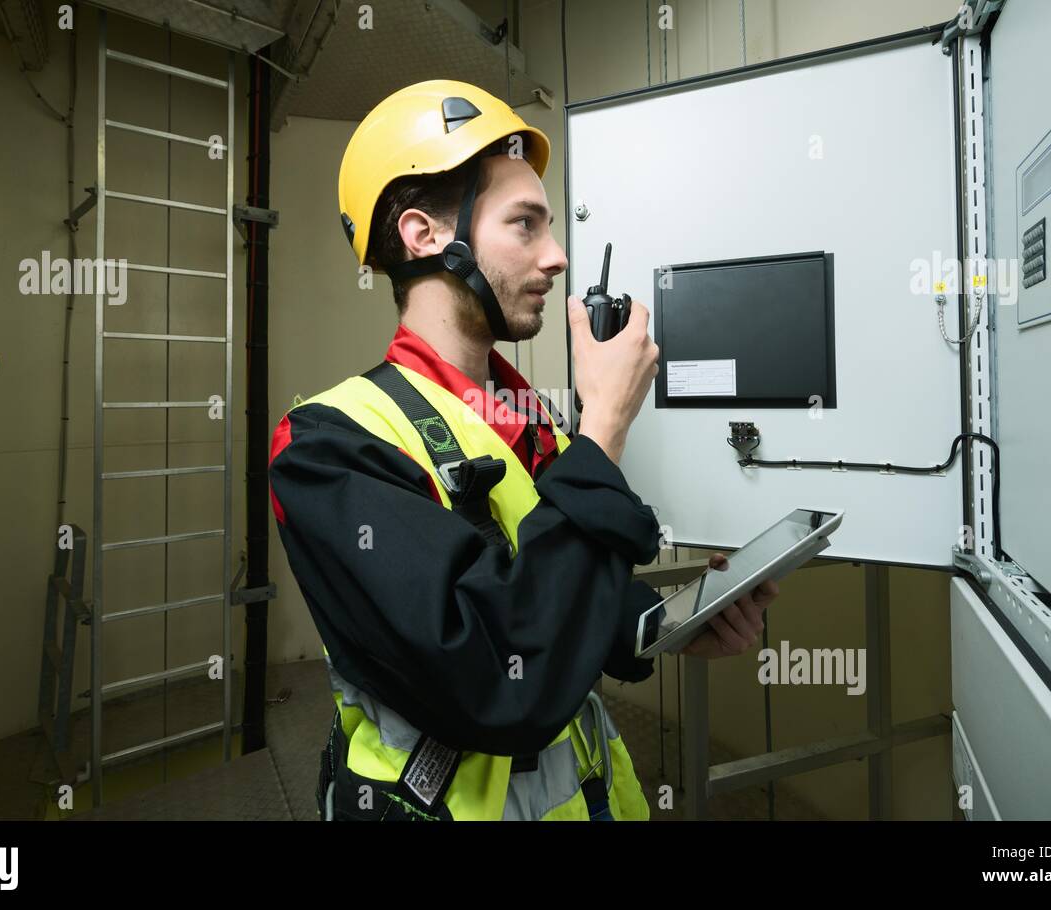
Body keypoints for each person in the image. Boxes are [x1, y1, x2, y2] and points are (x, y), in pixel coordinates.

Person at [268, 79, 778, 821]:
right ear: (424, 235)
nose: (558, 256)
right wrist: (602, 426)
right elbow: (496, 681)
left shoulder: (518, 415)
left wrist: (666, 627)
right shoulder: (327, 446)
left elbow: (548, 593)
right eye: (526, 225)